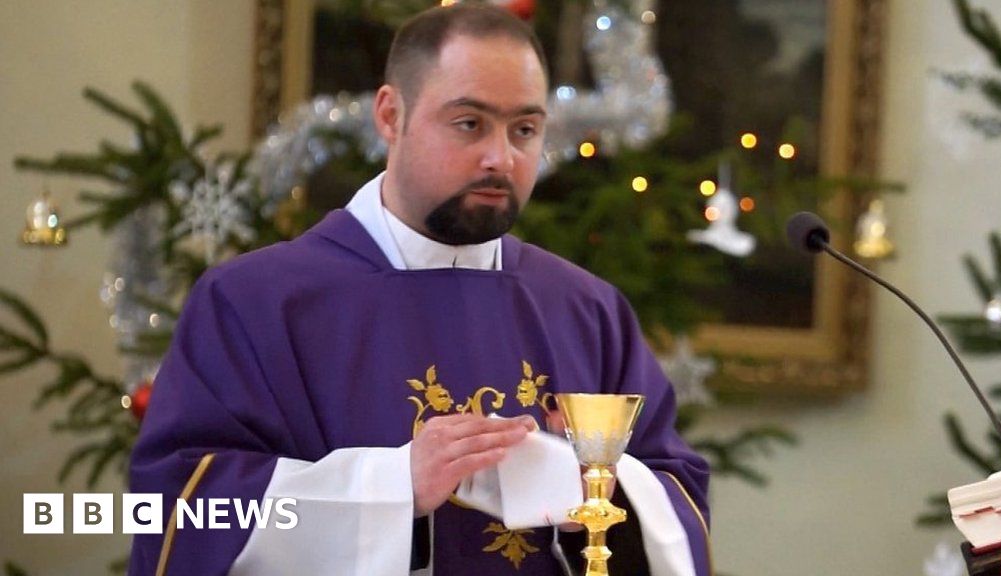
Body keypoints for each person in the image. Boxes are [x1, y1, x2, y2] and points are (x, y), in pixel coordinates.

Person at [129, 4, 711, 575]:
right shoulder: (255, 301)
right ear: (390, 114)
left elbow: (678, 497)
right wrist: (393, 487)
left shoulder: (588, 310)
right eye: (469, 123)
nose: (501, 158)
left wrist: (585, 484)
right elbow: (184, 507)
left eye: (525, 129)